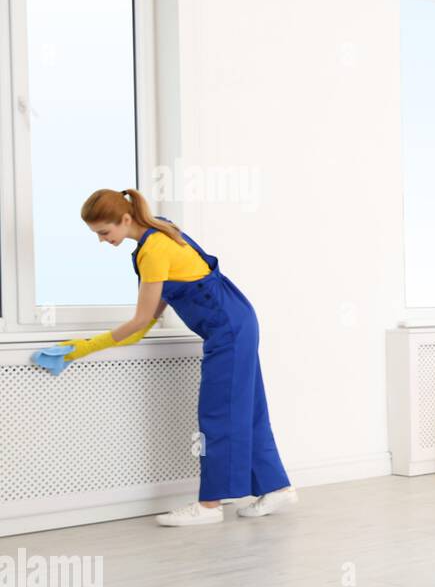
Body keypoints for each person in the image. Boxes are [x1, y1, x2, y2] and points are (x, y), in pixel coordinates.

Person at [46, 189, 297, 526]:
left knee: (217, 415)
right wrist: (81, 348)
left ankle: (209, 507)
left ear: (124, 219)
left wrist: (81, 348)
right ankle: (277, 488)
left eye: (105, 233)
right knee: (247, 409)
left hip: (229, 331)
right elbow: (144, 325)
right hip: (238, 321)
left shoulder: (154, 250)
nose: (103, 241)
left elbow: (138, 322)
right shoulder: (159, 230)